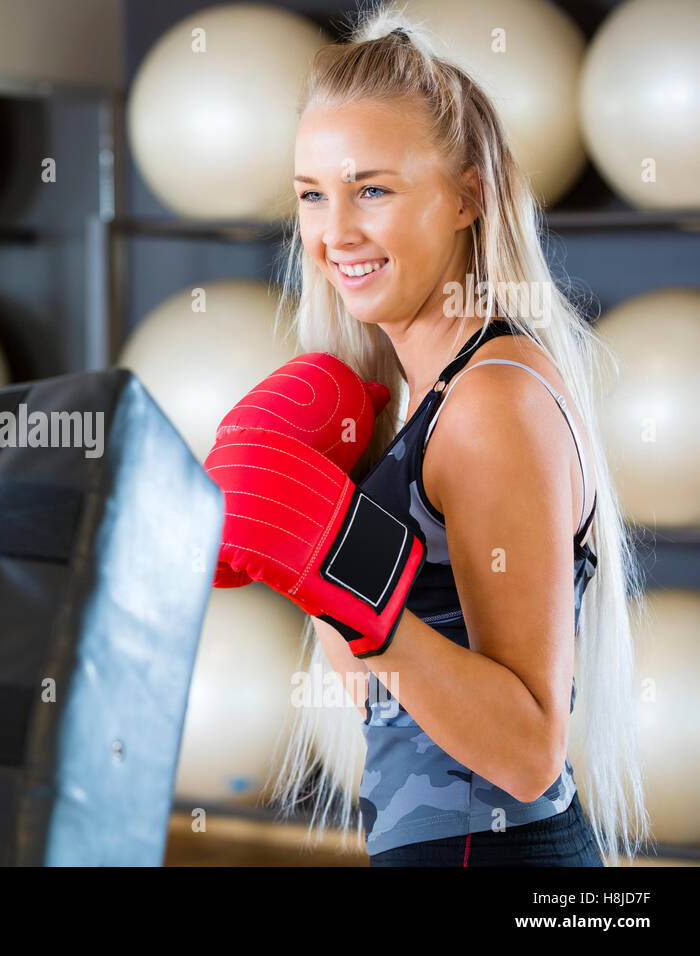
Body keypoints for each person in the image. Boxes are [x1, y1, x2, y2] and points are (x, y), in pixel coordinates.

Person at [218, 9, 649, 865]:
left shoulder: (492, 399)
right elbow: (383, 707)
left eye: (372, 188)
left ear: (467, 194)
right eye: (312, 194)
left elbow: (528, 754)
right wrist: (324, 564)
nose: (334, 233)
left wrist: (354, 586)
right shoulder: (423, 393)